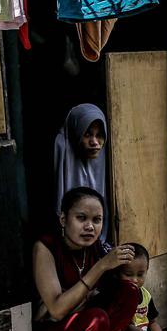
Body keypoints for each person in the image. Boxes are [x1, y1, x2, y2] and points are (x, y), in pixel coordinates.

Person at [33, 188, 140, 331]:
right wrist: (101, 266)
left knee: (130, 291)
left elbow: (120, 294)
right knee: (97, 319)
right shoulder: (46, 247)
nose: (90, 226)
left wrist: (130, 324)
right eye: (81, 218)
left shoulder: (98, 248)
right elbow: (57, 309)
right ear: (63, 219)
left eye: (96, 220)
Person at [54, 104, 110, 245]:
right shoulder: (62, 148)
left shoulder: (106, 157)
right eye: (87, 134)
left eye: (99, 135)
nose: (95, 142)